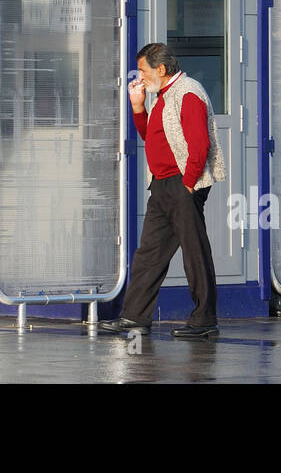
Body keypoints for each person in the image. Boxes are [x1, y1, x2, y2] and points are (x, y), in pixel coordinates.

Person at [99, 42, 225, 339]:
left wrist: (189, 183)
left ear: (161, 69)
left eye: (142, 70)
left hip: (182, 183)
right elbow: (151, 137)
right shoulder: (163, 95)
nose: (139, 77)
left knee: (194, 252)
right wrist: (138, 106)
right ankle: (134, 317)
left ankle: (204, 319)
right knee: (149, 254)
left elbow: (200, 145)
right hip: (162, 183)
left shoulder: (188, 93)